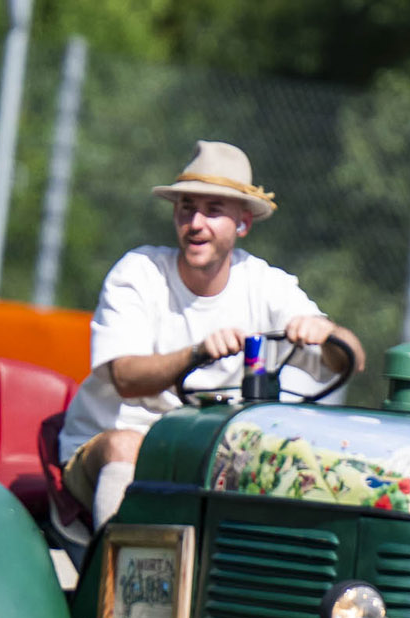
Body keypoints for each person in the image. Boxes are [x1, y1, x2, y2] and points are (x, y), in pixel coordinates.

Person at [58, 140, 364, 534]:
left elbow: (350, 358)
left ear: (243, 224)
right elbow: (126, 378)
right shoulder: (138, 273)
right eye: (187, 208)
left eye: (214, 210)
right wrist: (197, 353)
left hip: (206, 454)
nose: (196, 223)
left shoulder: (266, 284)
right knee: (129, 446)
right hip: (110, 451)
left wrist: (327, 334)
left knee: (296, 462)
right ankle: (118, 570)